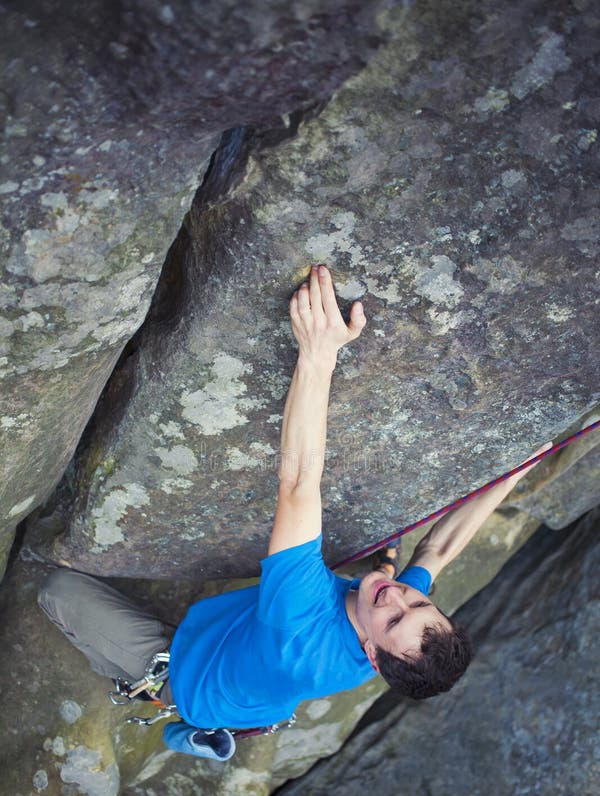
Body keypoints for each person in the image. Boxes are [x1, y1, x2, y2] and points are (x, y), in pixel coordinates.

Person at [38, 265, 550, 761]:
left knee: (55, 591)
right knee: (386, 578)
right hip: (256, 679)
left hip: (193, 680)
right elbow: (439, 549)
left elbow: (299, 485)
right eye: (420, 603)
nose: (399, 596)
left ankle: (147, 689)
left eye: (394, 615)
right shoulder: (398, 639)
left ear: (372, 656)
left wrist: (318, 355)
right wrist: (518, 469)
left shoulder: (302, 624)